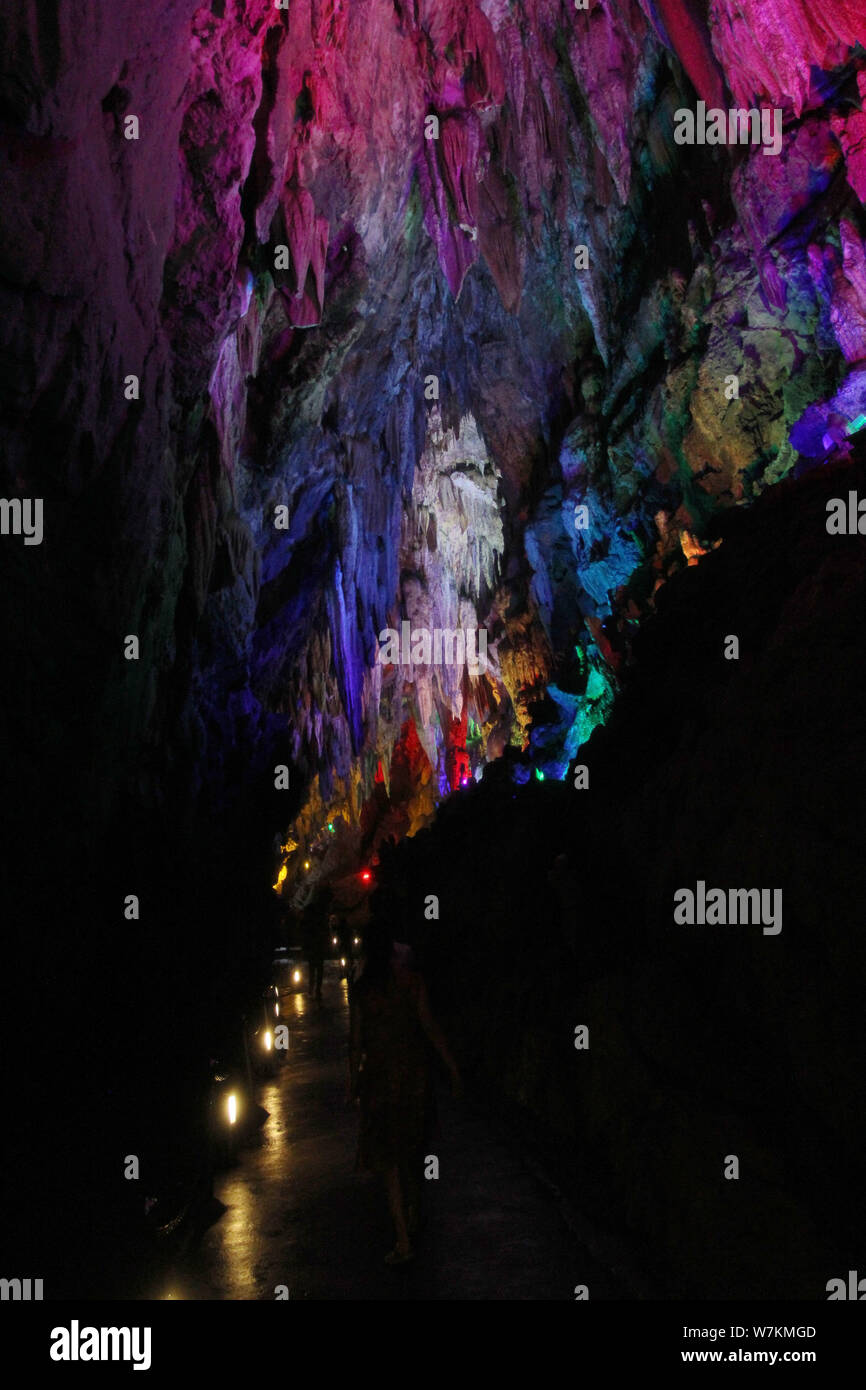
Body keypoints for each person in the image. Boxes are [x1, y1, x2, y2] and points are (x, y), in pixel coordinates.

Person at [349, 909, 461, 1265]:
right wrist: (453, 1068)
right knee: (412, 1148)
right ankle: (413, 1212)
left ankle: (402, 1238)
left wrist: (354, 1081)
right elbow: (430, 1027)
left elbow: (356, 1041)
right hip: (413, 1075)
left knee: (389, 1162)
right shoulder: (411, 981)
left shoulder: (365, 987)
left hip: (380, 1080)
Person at [303, 887, 331, 1001]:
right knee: (318, 967)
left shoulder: (312, 911)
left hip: (314, 942)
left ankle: (313, 988)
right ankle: (315, 989)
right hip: (316, 942)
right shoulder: (319, 912)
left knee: (314, 967)